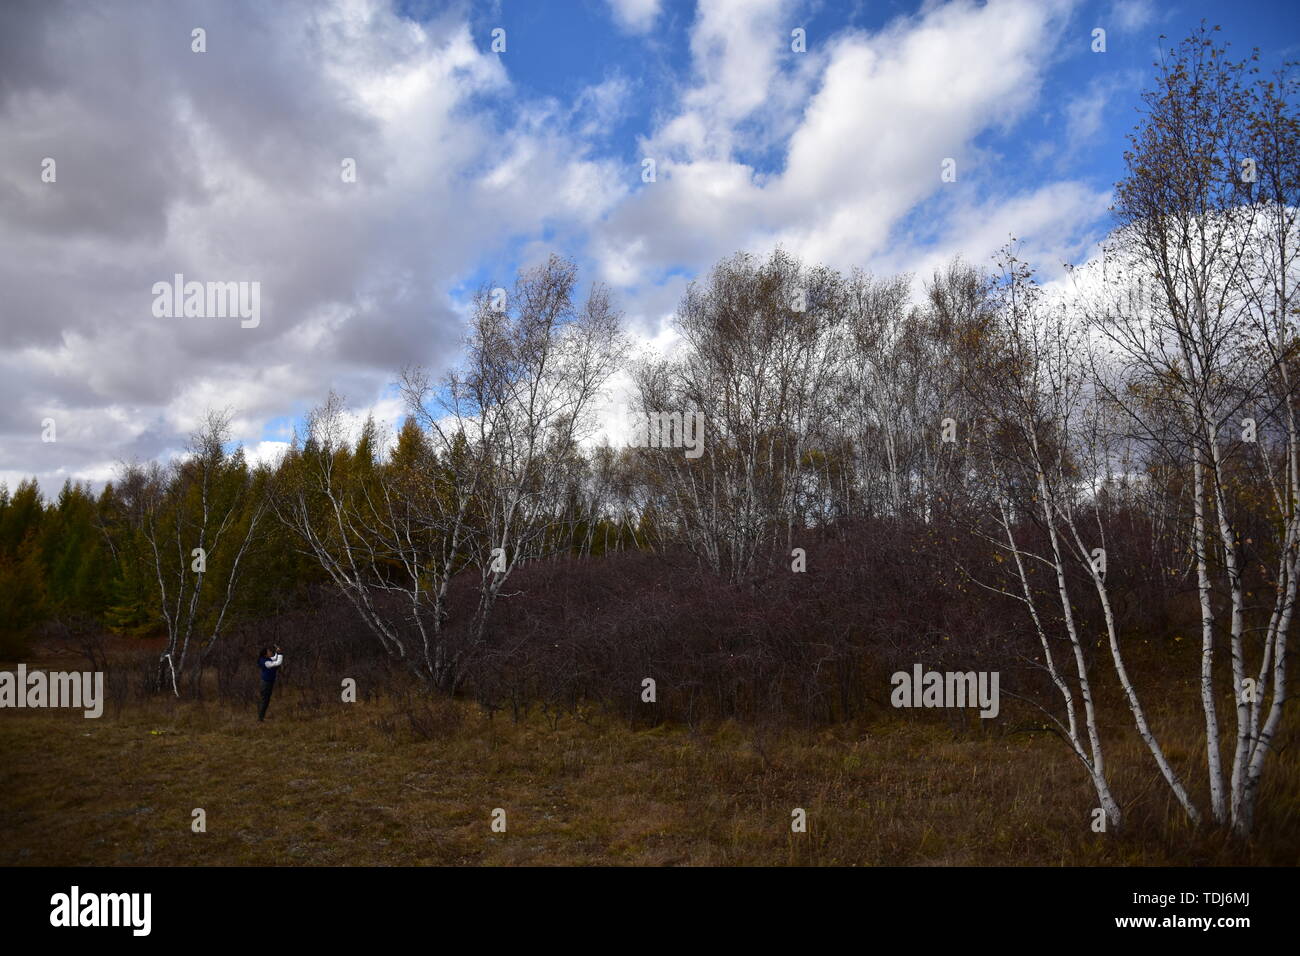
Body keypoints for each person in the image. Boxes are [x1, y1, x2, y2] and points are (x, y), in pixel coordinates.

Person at [257, 644, 283, 721]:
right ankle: (260, 718)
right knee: (265, 701)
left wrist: (278, 652)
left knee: (264, 700)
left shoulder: (265, 659)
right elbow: (278, 663)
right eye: (269, 652)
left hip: (267, 682)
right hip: (266, 683)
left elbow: (275, 658)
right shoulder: (265, 662)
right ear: (265, 654)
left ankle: (260, 717)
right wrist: (280, 654)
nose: (270, 652)